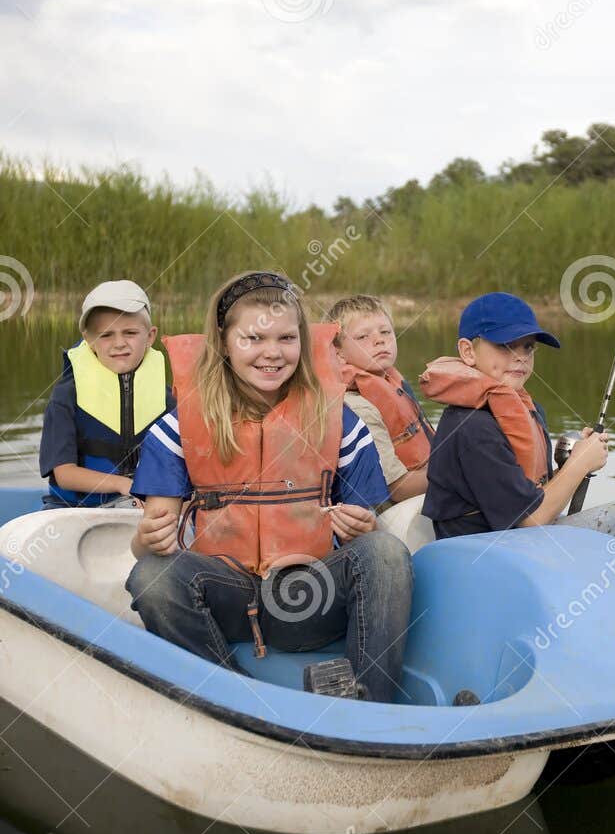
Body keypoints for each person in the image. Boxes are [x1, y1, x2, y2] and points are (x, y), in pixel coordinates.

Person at [125, 272, 413, 702]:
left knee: (385, 552)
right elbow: (150, 545)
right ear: (224, 342)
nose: (272, 353)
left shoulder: (342, 422)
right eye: (253, 339)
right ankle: (231, 693)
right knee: (151, 576)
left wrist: (364, 527)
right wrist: (144, 537)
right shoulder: (177, 428)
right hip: (227, 600)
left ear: (302, 341)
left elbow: (371, 537)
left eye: (286, 338)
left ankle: (368, 704)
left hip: (312, 598)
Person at [420, 291, 615, 556]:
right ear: (468, 351)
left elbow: (532, 498)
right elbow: (530, 519)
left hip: (517, 545)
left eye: (528, 347)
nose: (521, 357)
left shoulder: (527, 411)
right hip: (484, 558)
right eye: (506, 345)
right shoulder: (471, 426)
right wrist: (579, 465)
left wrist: (570, 463)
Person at [38, 280, 172, 508]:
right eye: (106, 335)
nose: (119, 343)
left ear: (150, 336)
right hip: (73, 511)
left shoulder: (166, 398)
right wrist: (122, 484)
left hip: (139, 510)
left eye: (130, 332)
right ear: (89, 340)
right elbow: (64, 474)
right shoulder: (66, 396)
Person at [328, 293, 433, 504]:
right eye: (362, 337)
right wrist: (456, 472)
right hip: (391, 510)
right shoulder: (358, 406)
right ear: (338, 354)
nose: (379, 339)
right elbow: (398, 489)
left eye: (385, 332)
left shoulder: (389, 383)